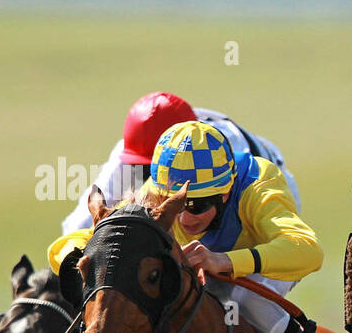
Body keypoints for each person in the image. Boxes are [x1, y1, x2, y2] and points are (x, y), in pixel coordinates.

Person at [48, 120, 352, 333]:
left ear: (226, 192)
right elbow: (66, 244)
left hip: (266, 262)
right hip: (201, 270)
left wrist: (227, 262)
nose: (184, 218)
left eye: (197, 205)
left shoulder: (258, 183)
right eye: (176, 203)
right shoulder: (157, 193)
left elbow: (308, 250)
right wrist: (84, 256)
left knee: (245, 302)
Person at [61, 91, 299, 232]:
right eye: (144, 168)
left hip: (254, 202)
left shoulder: (217, 150)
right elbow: (77, 226)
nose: (150, 177)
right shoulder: (132, 146)